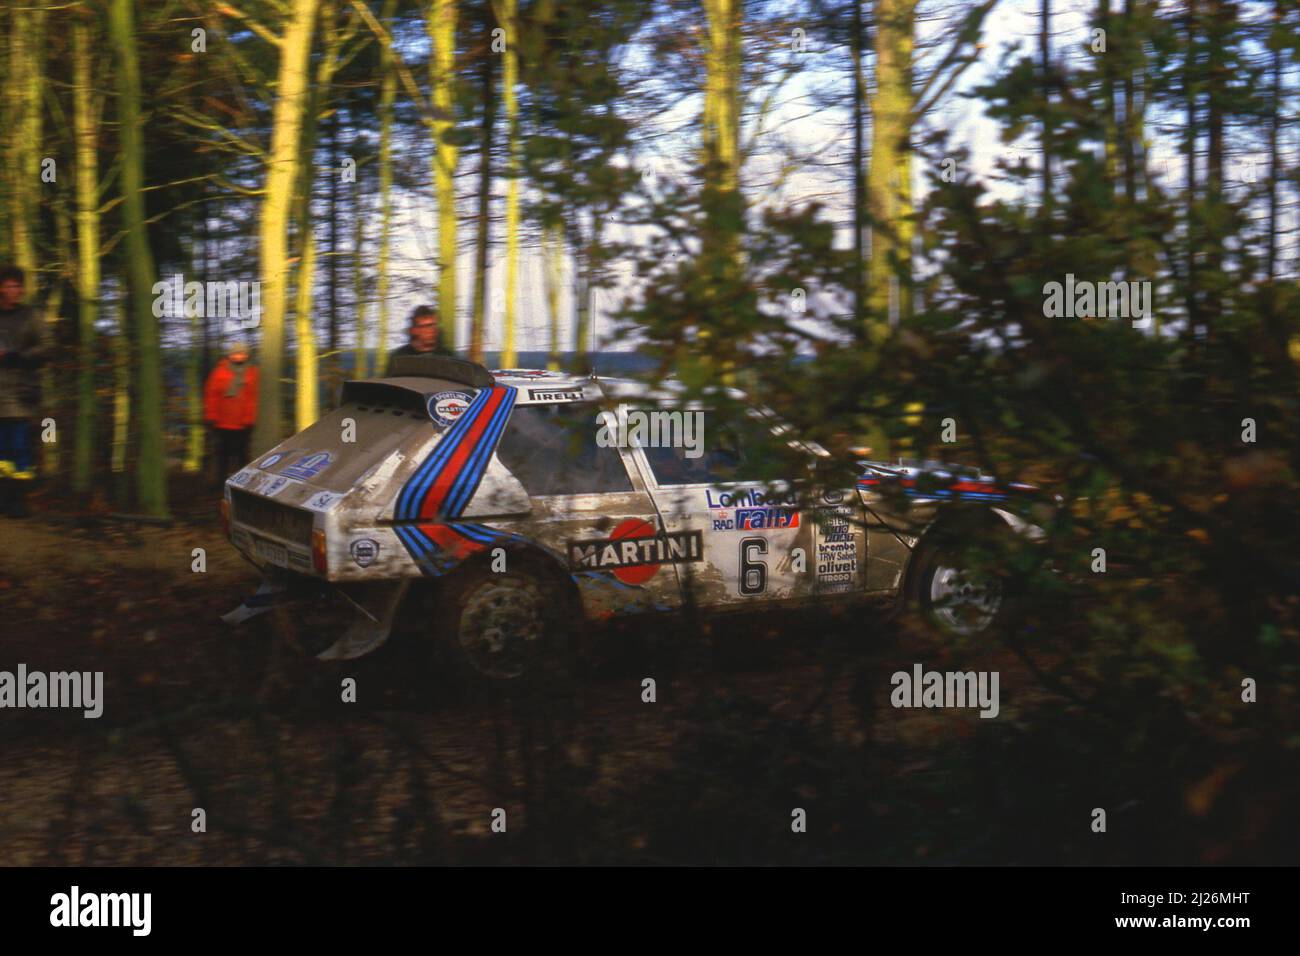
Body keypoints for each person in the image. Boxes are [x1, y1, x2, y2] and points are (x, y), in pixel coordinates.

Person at [0, 264, 52, 517]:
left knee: (20, 449)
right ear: (1, 288)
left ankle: (19, 503)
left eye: (18, 285)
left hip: (21, 394)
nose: (15, 290)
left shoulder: (32, 316)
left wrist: (17, 356)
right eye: (10, 285)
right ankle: (4, 501)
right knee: (1, 455)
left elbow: (48, 347)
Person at [204, 340, 259, 485]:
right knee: (222, 455)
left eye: (242, 353)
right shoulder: (220, 371)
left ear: (247, 355)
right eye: (235, 353)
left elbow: (253, 397)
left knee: (242, 455)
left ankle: (243, 484)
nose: (239, 356)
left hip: (243, 423)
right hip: (222, 422)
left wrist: (249, 418)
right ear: (230, 355)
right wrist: (211, 416)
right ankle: (221, 483)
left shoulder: (253, 372)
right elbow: (212, 395)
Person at [385, 305, 453, 375]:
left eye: (434, 325)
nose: (431, 330)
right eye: (426, 326)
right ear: (414, 330)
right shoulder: (399, 359)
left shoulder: (447, 357)